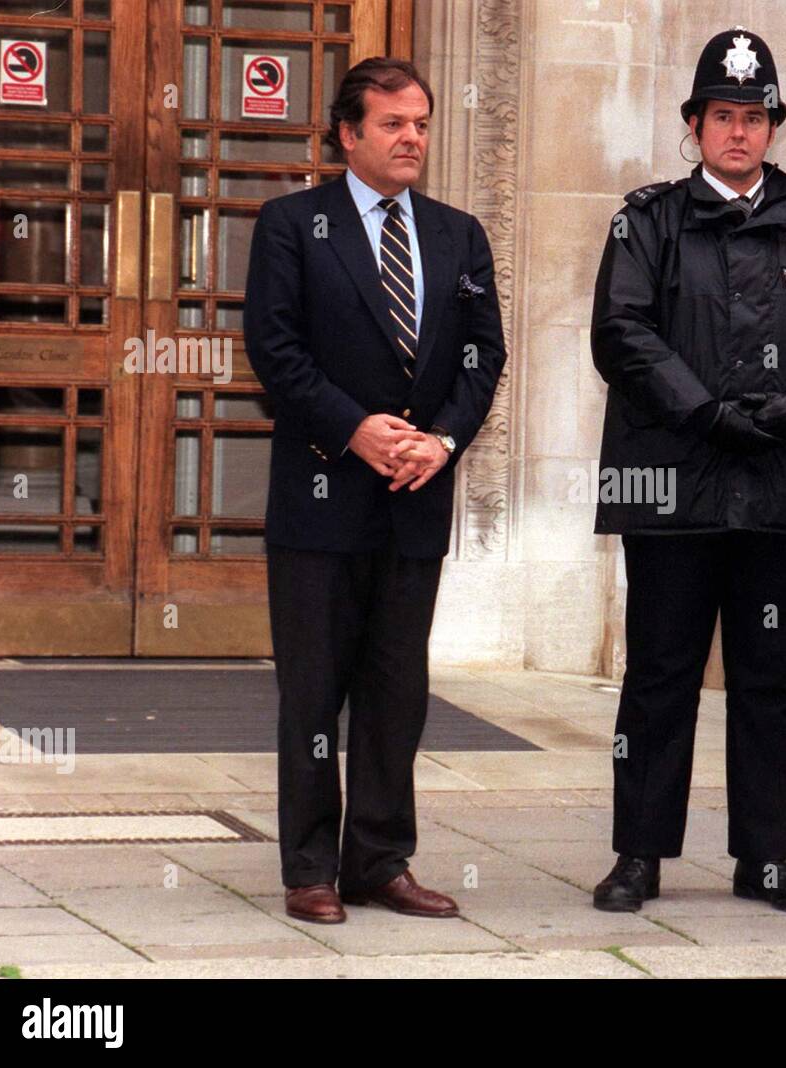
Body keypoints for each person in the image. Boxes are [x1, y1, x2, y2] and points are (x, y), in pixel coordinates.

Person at [588, 27, 786, 915]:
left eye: (755, 118)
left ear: (774, 125)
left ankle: (764, 859)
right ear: (695, 123)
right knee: (659, 675)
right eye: (723, 116)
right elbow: (621, 332)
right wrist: (704, 411)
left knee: (766, 682)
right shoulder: (647, 220)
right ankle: (639, 854)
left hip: (785, 490)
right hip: (674, 485)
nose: (740, 134)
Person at [242, 58, 506, 924]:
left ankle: (380, 860)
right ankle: (310, 867)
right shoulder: (292, 225)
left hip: (414, 497)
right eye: (394, 124)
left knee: (398, 692)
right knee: (314, 691)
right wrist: (353, 428)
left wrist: (444, 440)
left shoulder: (458, 234)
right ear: (348, 133)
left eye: (422, 123)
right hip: (321, 495)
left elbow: (482, 353)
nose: (413, 139)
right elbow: (275, 351)